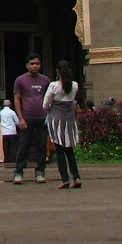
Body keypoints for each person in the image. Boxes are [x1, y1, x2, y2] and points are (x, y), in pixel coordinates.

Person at [43, 60, 82, 189]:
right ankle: (76, 177)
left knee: (59, 149)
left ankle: (65, 178)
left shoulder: (54, 85)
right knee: (69, 149)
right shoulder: (75, 85)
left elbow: (46, 104)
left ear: (57, 72)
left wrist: (51, 109)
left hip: (56, 118)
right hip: (69, 118)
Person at [12, 55, 51, 184]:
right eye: (32, 64)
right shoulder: (20, 80)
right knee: (24, 145)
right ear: (27, 65)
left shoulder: (45, 81)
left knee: (41, 146)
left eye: (37, 64)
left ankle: (40, 172)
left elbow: (49, 98)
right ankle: (18, 172)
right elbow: (17, 99)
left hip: (42, 117)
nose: (35, 66)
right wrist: (20, 118)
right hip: (27, 117)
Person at [0, 98, 19, 165]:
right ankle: (13, 159)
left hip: (4, 132)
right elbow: (17, 121)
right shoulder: (12, 112)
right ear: (10, 105)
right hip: (12, 131)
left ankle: (6, 159)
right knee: (13, 146)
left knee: (6, 146)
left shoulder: (1, 112)